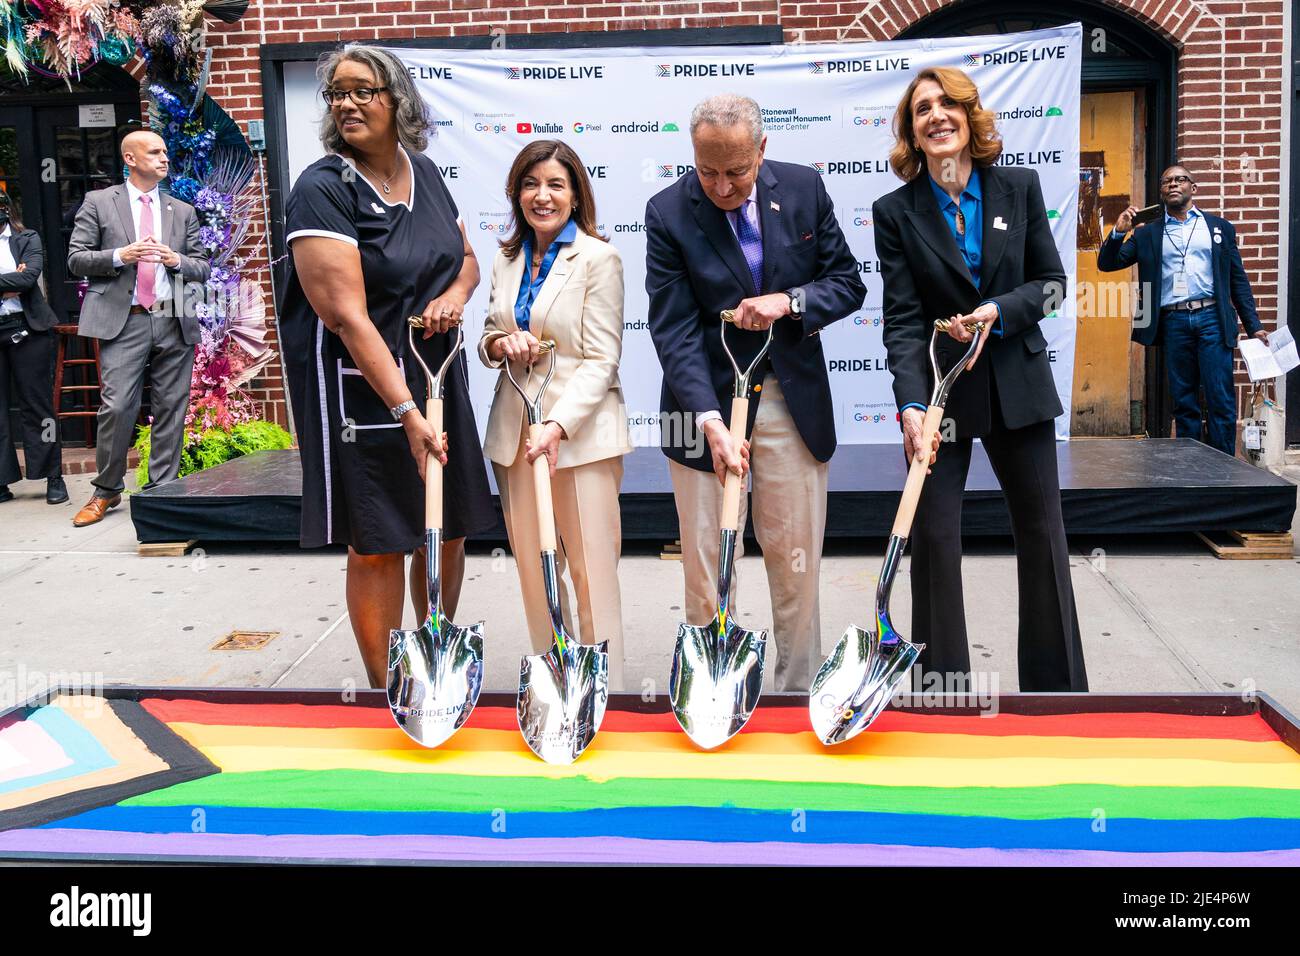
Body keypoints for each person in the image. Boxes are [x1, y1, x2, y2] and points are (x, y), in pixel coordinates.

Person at [280, 44, 495, 688]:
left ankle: (431, 665)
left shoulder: (423, 172)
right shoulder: (322, 188)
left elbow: (465, 259)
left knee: (448, 523)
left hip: (439, 374)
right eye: (336, 93)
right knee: (378, 539)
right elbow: (345, 315)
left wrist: (454, 299)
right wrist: (404, 411)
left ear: (397, 102)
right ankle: (385, 687)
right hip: (366, 392)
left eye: (362, 91)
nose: (346, 103)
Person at [872, 66, 1088, 693]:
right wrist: (913, 406)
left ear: (969, 116)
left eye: (947, 105)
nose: (936, 117)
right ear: (911, 132)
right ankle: (942, 691)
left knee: (1043, 536)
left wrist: (1000, 310)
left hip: (1018, 386)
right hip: (943, 393)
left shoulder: (1017, 188)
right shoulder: (896, 212)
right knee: (935, 539)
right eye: (921, 111)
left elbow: (1051, 286)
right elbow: (904, 319)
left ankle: (1057, 692)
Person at [645, 93, 866, 691]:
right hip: (704, 409)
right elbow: (673, 328)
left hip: (788, 404)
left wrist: (791, 302)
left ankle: (799, 693)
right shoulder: (667, 212)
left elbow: (847, 283)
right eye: (707, 170)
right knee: (706, 562)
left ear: (762, 150)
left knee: (794, 560)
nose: (720, 185)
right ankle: (711, 691)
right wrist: (712, 423)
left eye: (736, 171)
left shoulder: (804, 189)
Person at [479, 141, 631, 689]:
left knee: (591, 575)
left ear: (576, 194)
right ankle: (552, 688)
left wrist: (558, 425)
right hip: (516, 435)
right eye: (530, 184)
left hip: (580, 437)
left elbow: (601, 358)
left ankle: (602, 692)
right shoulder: (505, 258)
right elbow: (488, 337)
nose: (542, 196)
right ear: (516, 192)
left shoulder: (598, 258)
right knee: (534, 570)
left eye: (556, 185)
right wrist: (500, 346)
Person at [65, 129, 210, 526]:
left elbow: (202, 266)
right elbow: (76, 259)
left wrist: (175, 260)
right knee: (117, 406)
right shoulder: (99, 202)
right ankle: (107, 491)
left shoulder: (180, 210)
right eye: (154, 152)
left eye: (165, 152)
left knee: (171, 408)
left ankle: (161, 489)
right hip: (123, 320)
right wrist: (119, 255)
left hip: (172, 317)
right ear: (130, 158)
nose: (164, 158)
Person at [1097, 164, 1265, 456]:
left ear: (1193, 188)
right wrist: (1117, 233)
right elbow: (1107, 264)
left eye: (1180, 180)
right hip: (1173, 319)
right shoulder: (1147, 233)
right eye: (1166, 182)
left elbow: (1237, 279)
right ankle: (1192, 469)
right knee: (1184, 400)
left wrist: (1254, 326)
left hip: (1212, 317)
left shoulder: (1219, 228)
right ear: (1161, 192)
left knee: (1220, 397)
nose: (1173, 185)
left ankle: (1225, 468)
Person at [0, 190, 66, 505]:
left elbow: (27, 282)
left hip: (27, 330)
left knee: (38, 405)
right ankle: (1, 481)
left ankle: (53, 475)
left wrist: (19, 279)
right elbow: (16, 280)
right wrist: (9, 279)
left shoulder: (27, 238)